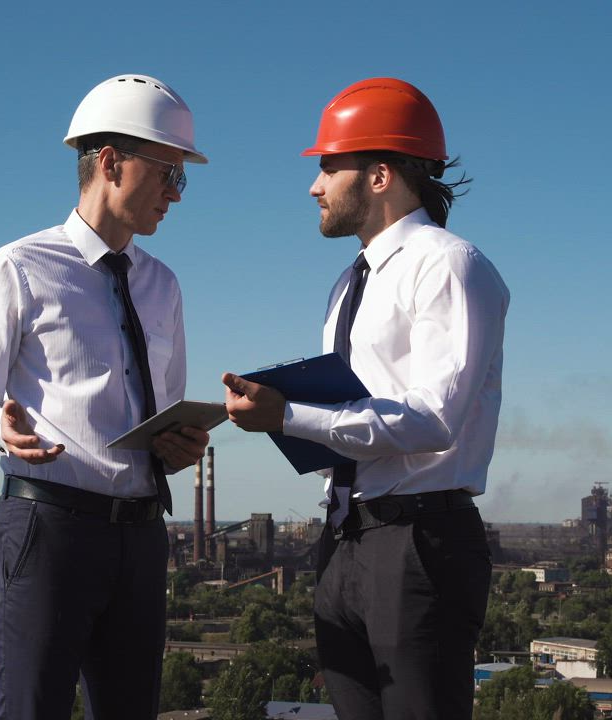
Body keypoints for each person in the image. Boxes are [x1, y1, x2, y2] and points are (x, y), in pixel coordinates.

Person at [222, 77, 510, 720]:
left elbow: (433, 419)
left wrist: (288, 415)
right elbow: (355, 412)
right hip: (344, 536)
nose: (314, 186)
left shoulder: (448, 265)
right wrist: (285, 414)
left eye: (329, 167)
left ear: (380, 175)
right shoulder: (347, 284)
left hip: (418, 542)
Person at [0, 74, 210, 720]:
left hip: (142, 538)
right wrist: (0, 430)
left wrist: (180, 446)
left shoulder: (165, 287)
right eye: (168, 173)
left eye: (181, 177)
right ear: (110, 163)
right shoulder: (18, 268)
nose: (176, 193)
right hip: (49, 532)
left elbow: (163, 418)